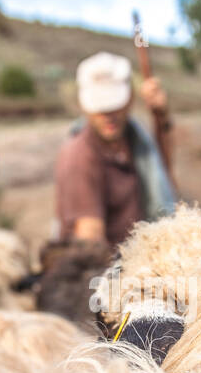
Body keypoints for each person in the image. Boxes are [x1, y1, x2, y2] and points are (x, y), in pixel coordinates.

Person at [54, 52, 176, 248]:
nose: (108, 115)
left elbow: (163, 172)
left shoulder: (136, 141)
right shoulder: (79, 156)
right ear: (84, 106)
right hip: (105, 271)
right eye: (100, 107)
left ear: (130, 99)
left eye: (114, 105)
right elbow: (89, 244)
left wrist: (161, 117)